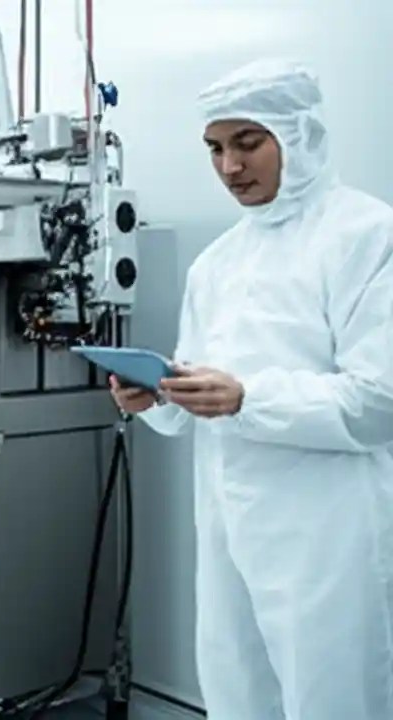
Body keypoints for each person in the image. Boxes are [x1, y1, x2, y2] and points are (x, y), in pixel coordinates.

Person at [110, 59, 393, 719]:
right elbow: (200, 399)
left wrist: (247, 399)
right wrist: (158, 399)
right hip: (229, 523)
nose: (229, 166)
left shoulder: (365, 235)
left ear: (300, 136)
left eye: (247, 142)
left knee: (332, 696)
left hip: (328, 532)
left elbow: (380, 401)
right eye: (214, 147)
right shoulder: (217, 264)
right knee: (237, 693)